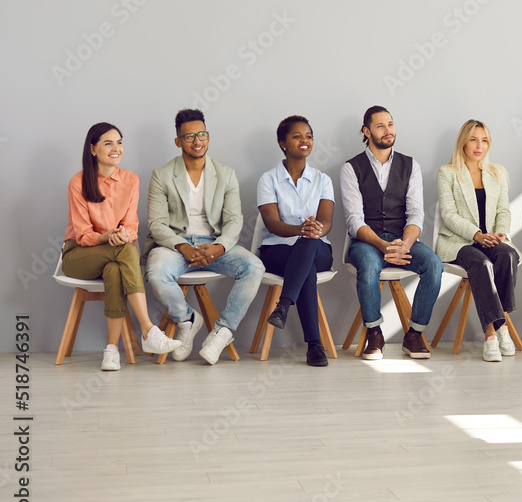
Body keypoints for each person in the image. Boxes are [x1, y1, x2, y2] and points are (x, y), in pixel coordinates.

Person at [143, 109, 265, 365]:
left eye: (202, 134)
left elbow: (234, 220)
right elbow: (157, 224)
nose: (197, 141)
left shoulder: (226, 174)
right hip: (175, 245)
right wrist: (182, 246)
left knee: (254, 266)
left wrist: (219, 247)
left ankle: (222, 332)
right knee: (156, 273)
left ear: (208, 137)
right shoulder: (162, 174)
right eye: (189, 137)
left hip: (215, 243)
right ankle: (187, 319)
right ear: (178, 141)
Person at [62, 123, 181, 370]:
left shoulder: (130, 179)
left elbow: (131, 226)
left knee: (116, 269)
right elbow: (83, 235)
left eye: (119, 142)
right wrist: (107, 237)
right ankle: (148, 330)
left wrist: (122, 235)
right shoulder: (79, 182)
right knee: (125, 252)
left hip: (114, 253)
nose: (116, 148)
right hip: (78, 255)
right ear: (93, 149)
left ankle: (111, 350)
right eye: (108, 143)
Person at [341, 106, 442, 361]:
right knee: (368, 264)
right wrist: (383, 246)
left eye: (391, 124)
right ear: (366, 131)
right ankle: (374, 333)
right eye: (380, 126)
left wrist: (405, 244)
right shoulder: (351, 168)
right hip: (366, 241)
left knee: (433, 264)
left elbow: (416, 214)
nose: (388, 131)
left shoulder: (411, 165)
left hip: (402, 239)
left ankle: (414, 334)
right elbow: (354, 220)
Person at [436, 120, 519, 362]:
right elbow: (449, 215)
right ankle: (492, 334)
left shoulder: (497, 173)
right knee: (481, 264)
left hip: (492, 239)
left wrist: (500, 234)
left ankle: (502, 325)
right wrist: (477, 235)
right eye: (473, 139)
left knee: (508, 255)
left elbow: (504, 210)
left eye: (484, 140)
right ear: (463, 141)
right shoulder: (447, 173)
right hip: (460, 241)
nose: (479, 145)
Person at [256, 116, 336, 367]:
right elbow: (271, 223)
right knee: (306, 268)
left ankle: (283, 305)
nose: (305, 141)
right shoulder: (268, 179)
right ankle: (314, 345)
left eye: (309, 136)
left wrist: (314, 230)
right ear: (282, 143)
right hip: (276, 251)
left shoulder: (323, 180)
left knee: (310, 244)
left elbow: (326, 221)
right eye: (297, 136)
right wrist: (300, 229)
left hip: (318, 248)